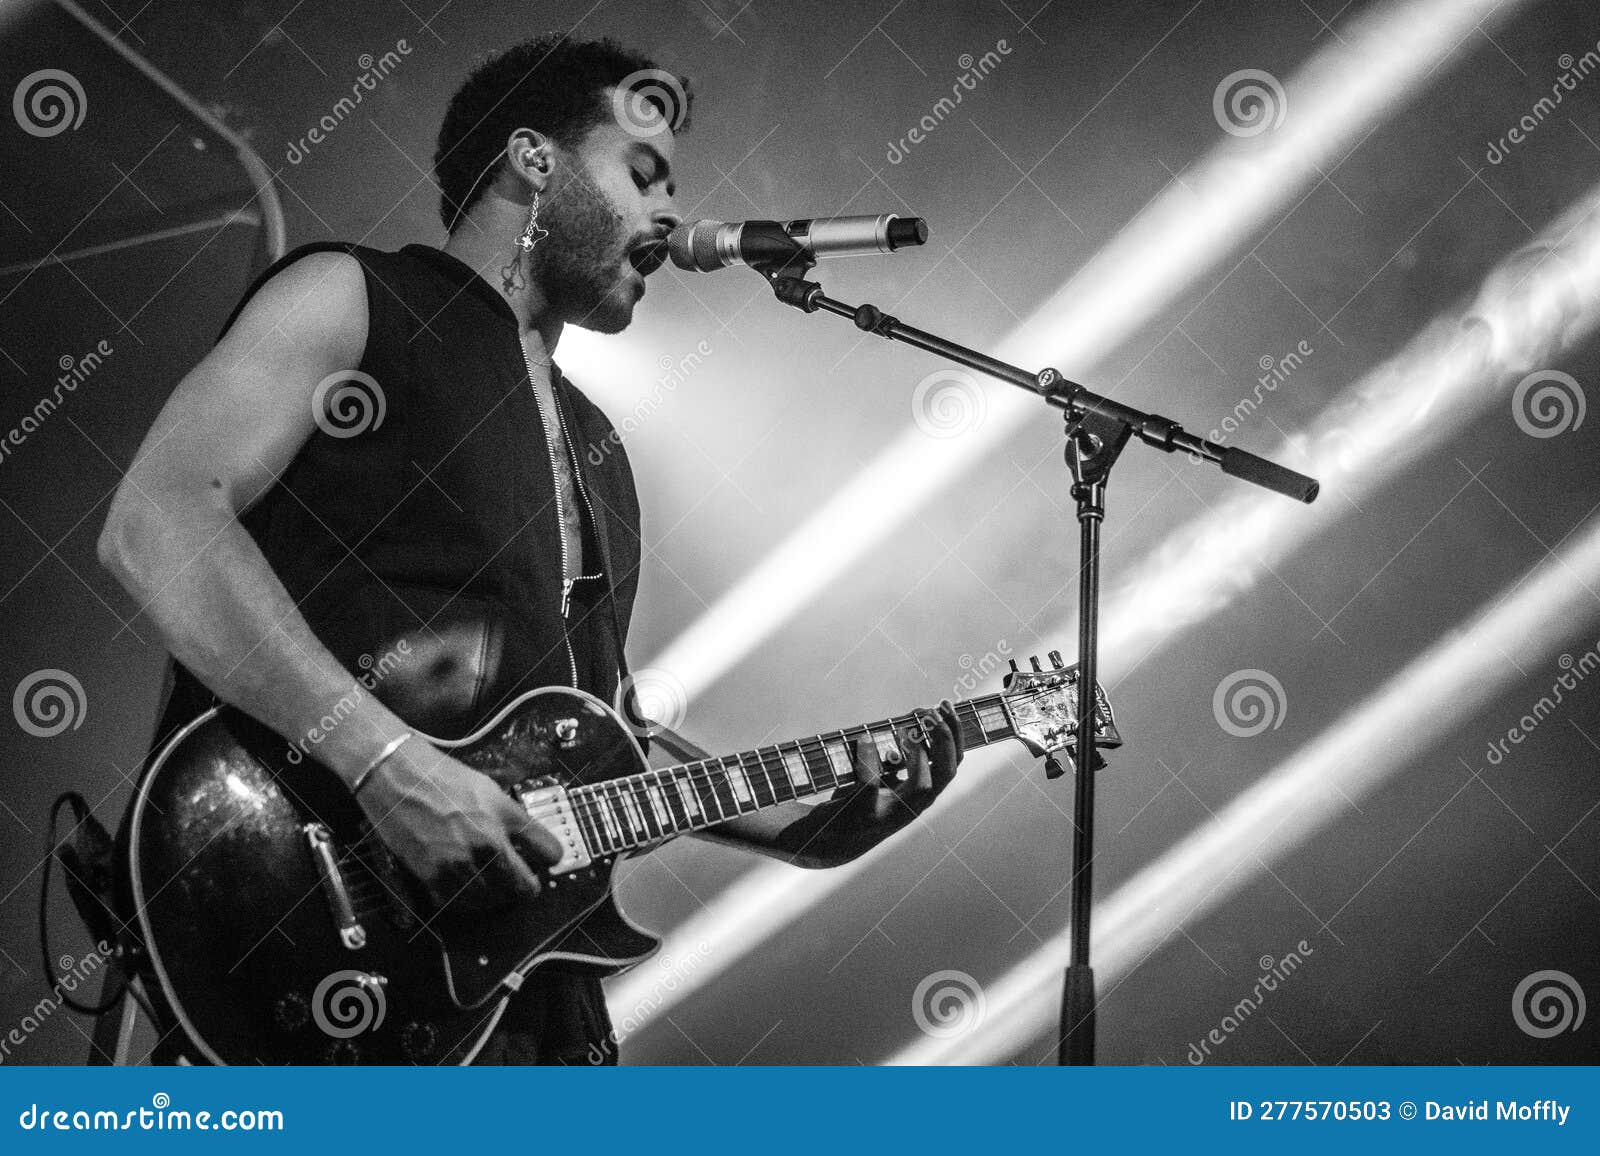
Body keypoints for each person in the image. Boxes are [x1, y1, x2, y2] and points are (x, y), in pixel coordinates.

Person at [99, 34, 963, 1065]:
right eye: (642, 173)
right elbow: (158, 523)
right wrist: (384, 763)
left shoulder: (597, 443)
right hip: (303, 929)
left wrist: (806, 830)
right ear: (532, 160)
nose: (669, 216)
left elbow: (606, 736)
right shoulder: (354, 298)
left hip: (524, 1005)